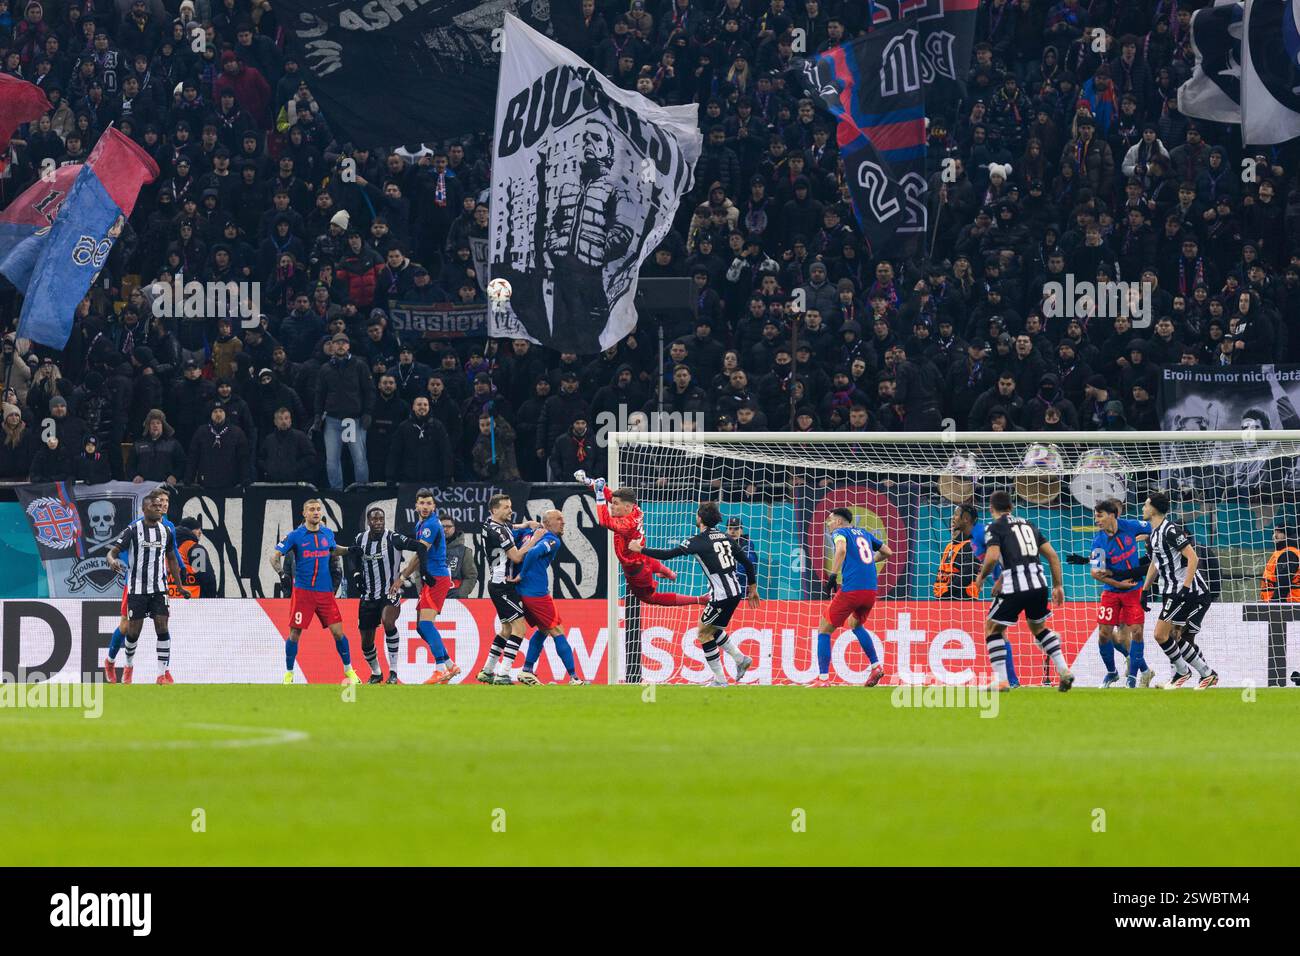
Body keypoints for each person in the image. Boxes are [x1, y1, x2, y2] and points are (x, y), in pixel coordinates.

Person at [629, 501, 758, 687]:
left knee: (703, 634)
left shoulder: (697, 541)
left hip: (721, 596)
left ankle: (721, 680)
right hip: (736, 592)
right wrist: (753, 588)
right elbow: (747, 562)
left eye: (697, 514)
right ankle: (740, 659)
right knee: (712, 629)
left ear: (700, 518)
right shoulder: (726, 538)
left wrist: (640, 549)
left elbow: (667, 554)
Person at [970, 490, 1074, 692]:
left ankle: (1001, 681)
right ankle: (1064, 671)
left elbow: (991, 557)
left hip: (1016, 586)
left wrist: (980, 578)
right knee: (1039, 629)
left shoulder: (994, 527)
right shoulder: (1029, 524)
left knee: (992, 628)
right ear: (1011, 507)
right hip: (1039, 584)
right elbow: (1052, 556)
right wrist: (1058, 586)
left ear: (992, 509)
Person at [575, 471, 709, 607]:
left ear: (627, 507)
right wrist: (588, 482)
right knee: (646, 559)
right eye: (612, 503)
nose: (612, 506)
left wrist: (599, 495)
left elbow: (604, 521)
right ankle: (669, 573)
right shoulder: (635, 509)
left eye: (615, 504)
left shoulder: (627, 524)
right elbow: (609, 494)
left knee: (650, 598)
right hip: (641, 556)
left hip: (635, 570)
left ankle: (699, 600)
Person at [269, 498, 360, 685]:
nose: (316, 512)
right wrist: (281, 574)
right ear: (304, 513)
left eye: (318, 509)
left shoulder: (327, 533)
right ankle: (289, 673)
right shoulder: (295, 536)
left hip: (325, 593)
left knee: (338, 633)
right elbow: (274, 556)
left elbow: (334, 550)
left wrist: (349, 550)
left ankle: (349, 670)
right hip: (303, 593)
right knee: (295, 633)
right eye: (311, 509)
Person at [105, 488, 187, 685]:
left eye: (165, 502)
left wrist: (180, 580)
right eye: (159, 502)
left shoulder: (168, 529)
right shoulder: (134, 528)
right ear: (146, 507)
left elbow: (172, 554)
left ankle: (163, 673)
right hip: (135, 585)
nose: (163, 506)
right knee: (128, 628)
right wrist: (117, 562)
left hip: (159, 586)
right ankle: (115, 662)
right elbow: (117, 551)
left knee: (162, 625)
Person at [1140, 492, 1219, 688]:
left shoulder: (1170, 531)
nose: (1143, 508)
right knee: (1173, 635)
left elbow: (1193, 558)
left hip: (1184, 590)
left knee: (1161, 634)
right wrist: (1144, 590)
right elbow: (1155, 564)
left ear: (1154, 509)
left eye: (1145, 505)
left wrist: (1185, 588)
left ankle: (1190, 673)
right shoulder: (1154, 534)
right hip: (1171, 590)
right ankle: (1200, 674)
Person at [811, 507, 889, 687]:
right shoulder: (864, 533)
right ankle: (876, 666)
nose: (828, 524)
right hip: (870, 591)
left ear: (838, 521)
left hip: (852, 589)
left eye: (829, 520)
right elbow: (887, 551)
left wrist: (832, 575)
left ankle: (823, 680)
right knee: (855, 624)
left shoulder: (840, 532)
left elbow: (841, 550)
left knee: (824, 629)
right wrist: (868, 561)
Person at [347, 507, 425, 684]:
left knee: (388, 621)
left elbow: (419, 547)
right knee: (366, 642)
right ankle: (376, 672)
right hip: (368, 595)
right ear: (368, 522)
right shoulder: (360, 539)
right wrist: (356, 575)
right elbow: (353, 557)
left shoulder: (393, 537)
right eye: (375, 519)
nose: (379, 523)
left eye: (381, 519)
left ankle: (393, 671)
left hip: (389, 592)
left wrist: (406, 575)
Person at [474, 493, 545, 685]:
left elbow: (509, 527)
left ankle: (487, 671)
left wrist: (525, 524)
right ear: (494, 510)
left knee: (506, 629)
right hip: (502, 585)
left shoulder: (490, 525)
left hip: (497, 584)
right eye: (506, 507)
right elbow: (516, 557)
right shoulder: (500, 532)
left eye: (510, 506)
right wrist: (535, 539)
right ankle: (504, 673)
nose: (510, 510)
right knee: (519, 629)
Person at [1083, 499, 1153, 687]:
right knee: (1104, 634)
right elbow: (1096, 573)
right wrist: (1117, 583)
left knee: (1136, 632)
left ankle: (1132, 678)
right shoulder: (1098, 540)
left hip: (1134, 589)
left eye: (1100, 516)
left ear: (1112, 515)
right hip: (1112, 592)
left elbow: (1156, 526)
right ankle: (1112, 673)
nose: (1096, 520)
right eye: (1095, 516)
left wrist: (1149, 539)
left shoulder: (1130, 526)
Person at [395, 489, 460, 685]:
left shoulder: (431, 524)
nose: (424, 507)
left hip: (436, 578)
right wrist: (405, 575)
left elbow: (420, 552)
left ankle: (439, 669)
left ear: (434, 507)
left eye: (428, 504)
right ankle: (450, 665)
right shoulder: (422, 524)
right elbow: (420, 554)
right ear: (416, 506)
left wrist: (403, 576)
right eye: (421, 503)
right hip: (431, 577)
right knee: (420, 628)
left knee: (425, 624)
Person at [516, 509, 586, 685]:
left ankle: (527, 670)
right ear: (547, 523)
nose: (563, 522)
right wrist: (522, 574)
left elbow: (516, 529)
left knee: (544, 630)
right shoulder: (552, 540)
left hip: (523, 591)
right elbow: (532, 553)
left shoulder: (532, 532)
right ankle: (574, 677)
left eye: (563, 518)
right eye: (558, 519)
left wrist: (524, 525)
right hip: (537, 593)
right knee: (557, 630)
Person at [1259, 524, 1300, 602]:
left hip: (1288, 604)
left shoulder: (1289, 553)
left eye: (1279, 532)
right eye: (1274, 532)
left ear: (1286, 535)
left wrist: (1275, 603)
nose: (1275, 535)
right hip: (1286, 604)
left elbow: (1284, 582)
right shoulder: (1282, 552)